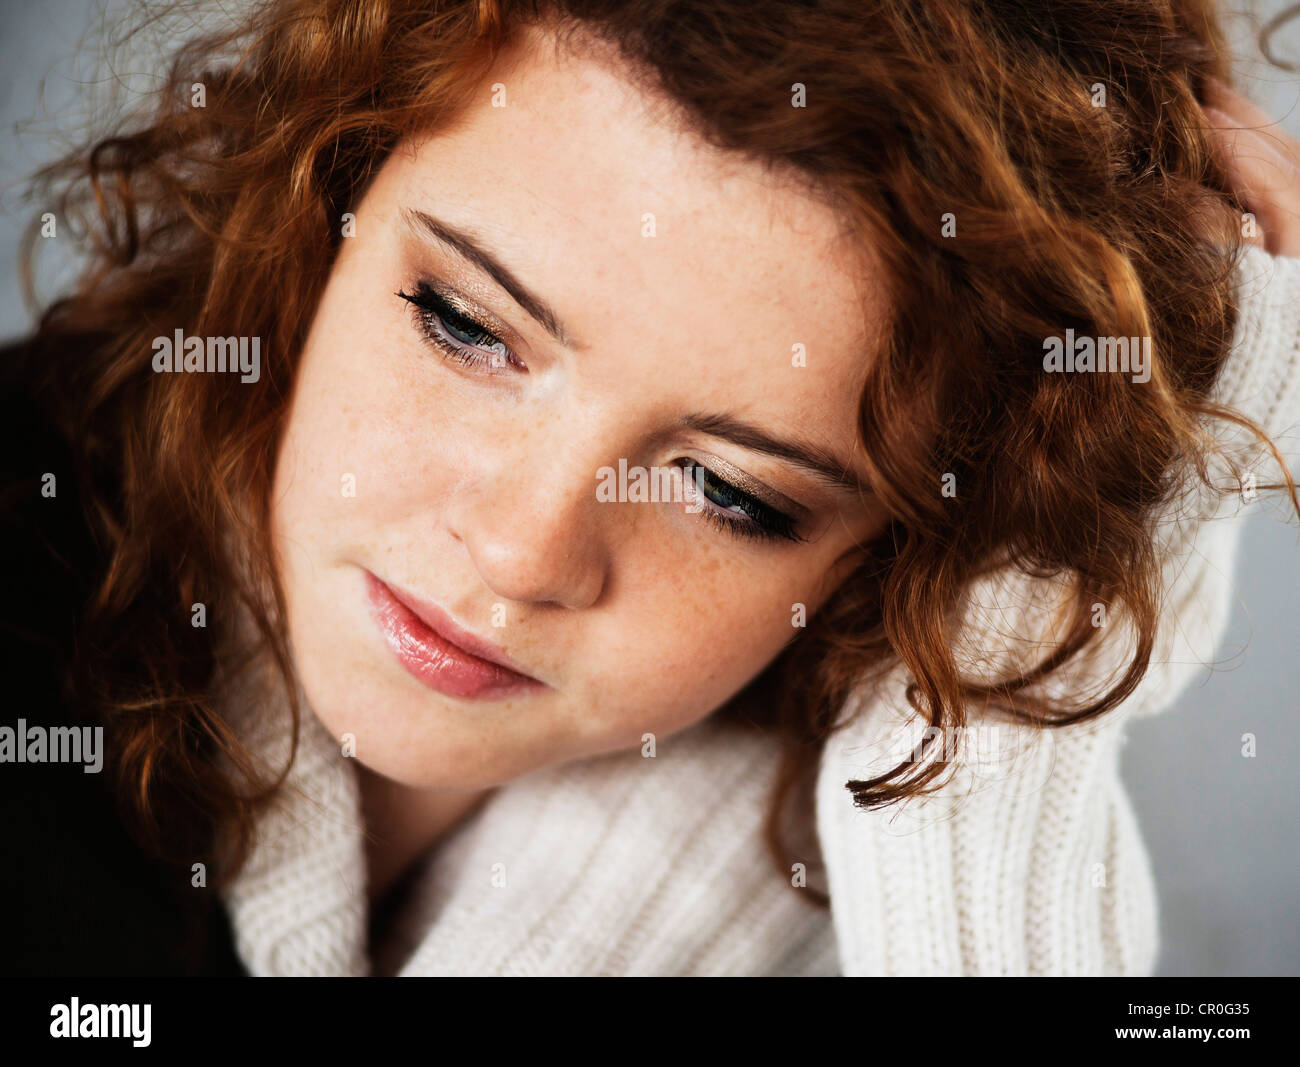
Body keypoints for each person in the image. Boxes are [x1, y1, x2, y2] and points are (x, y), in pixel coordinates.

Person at [2, 0, 1298, 976]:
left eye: (731, 493)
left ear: (913, 563)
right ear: (324, 187)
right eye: (463, 325)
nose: (520, 552)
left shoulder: (805, 873)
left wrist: (1017, 695)